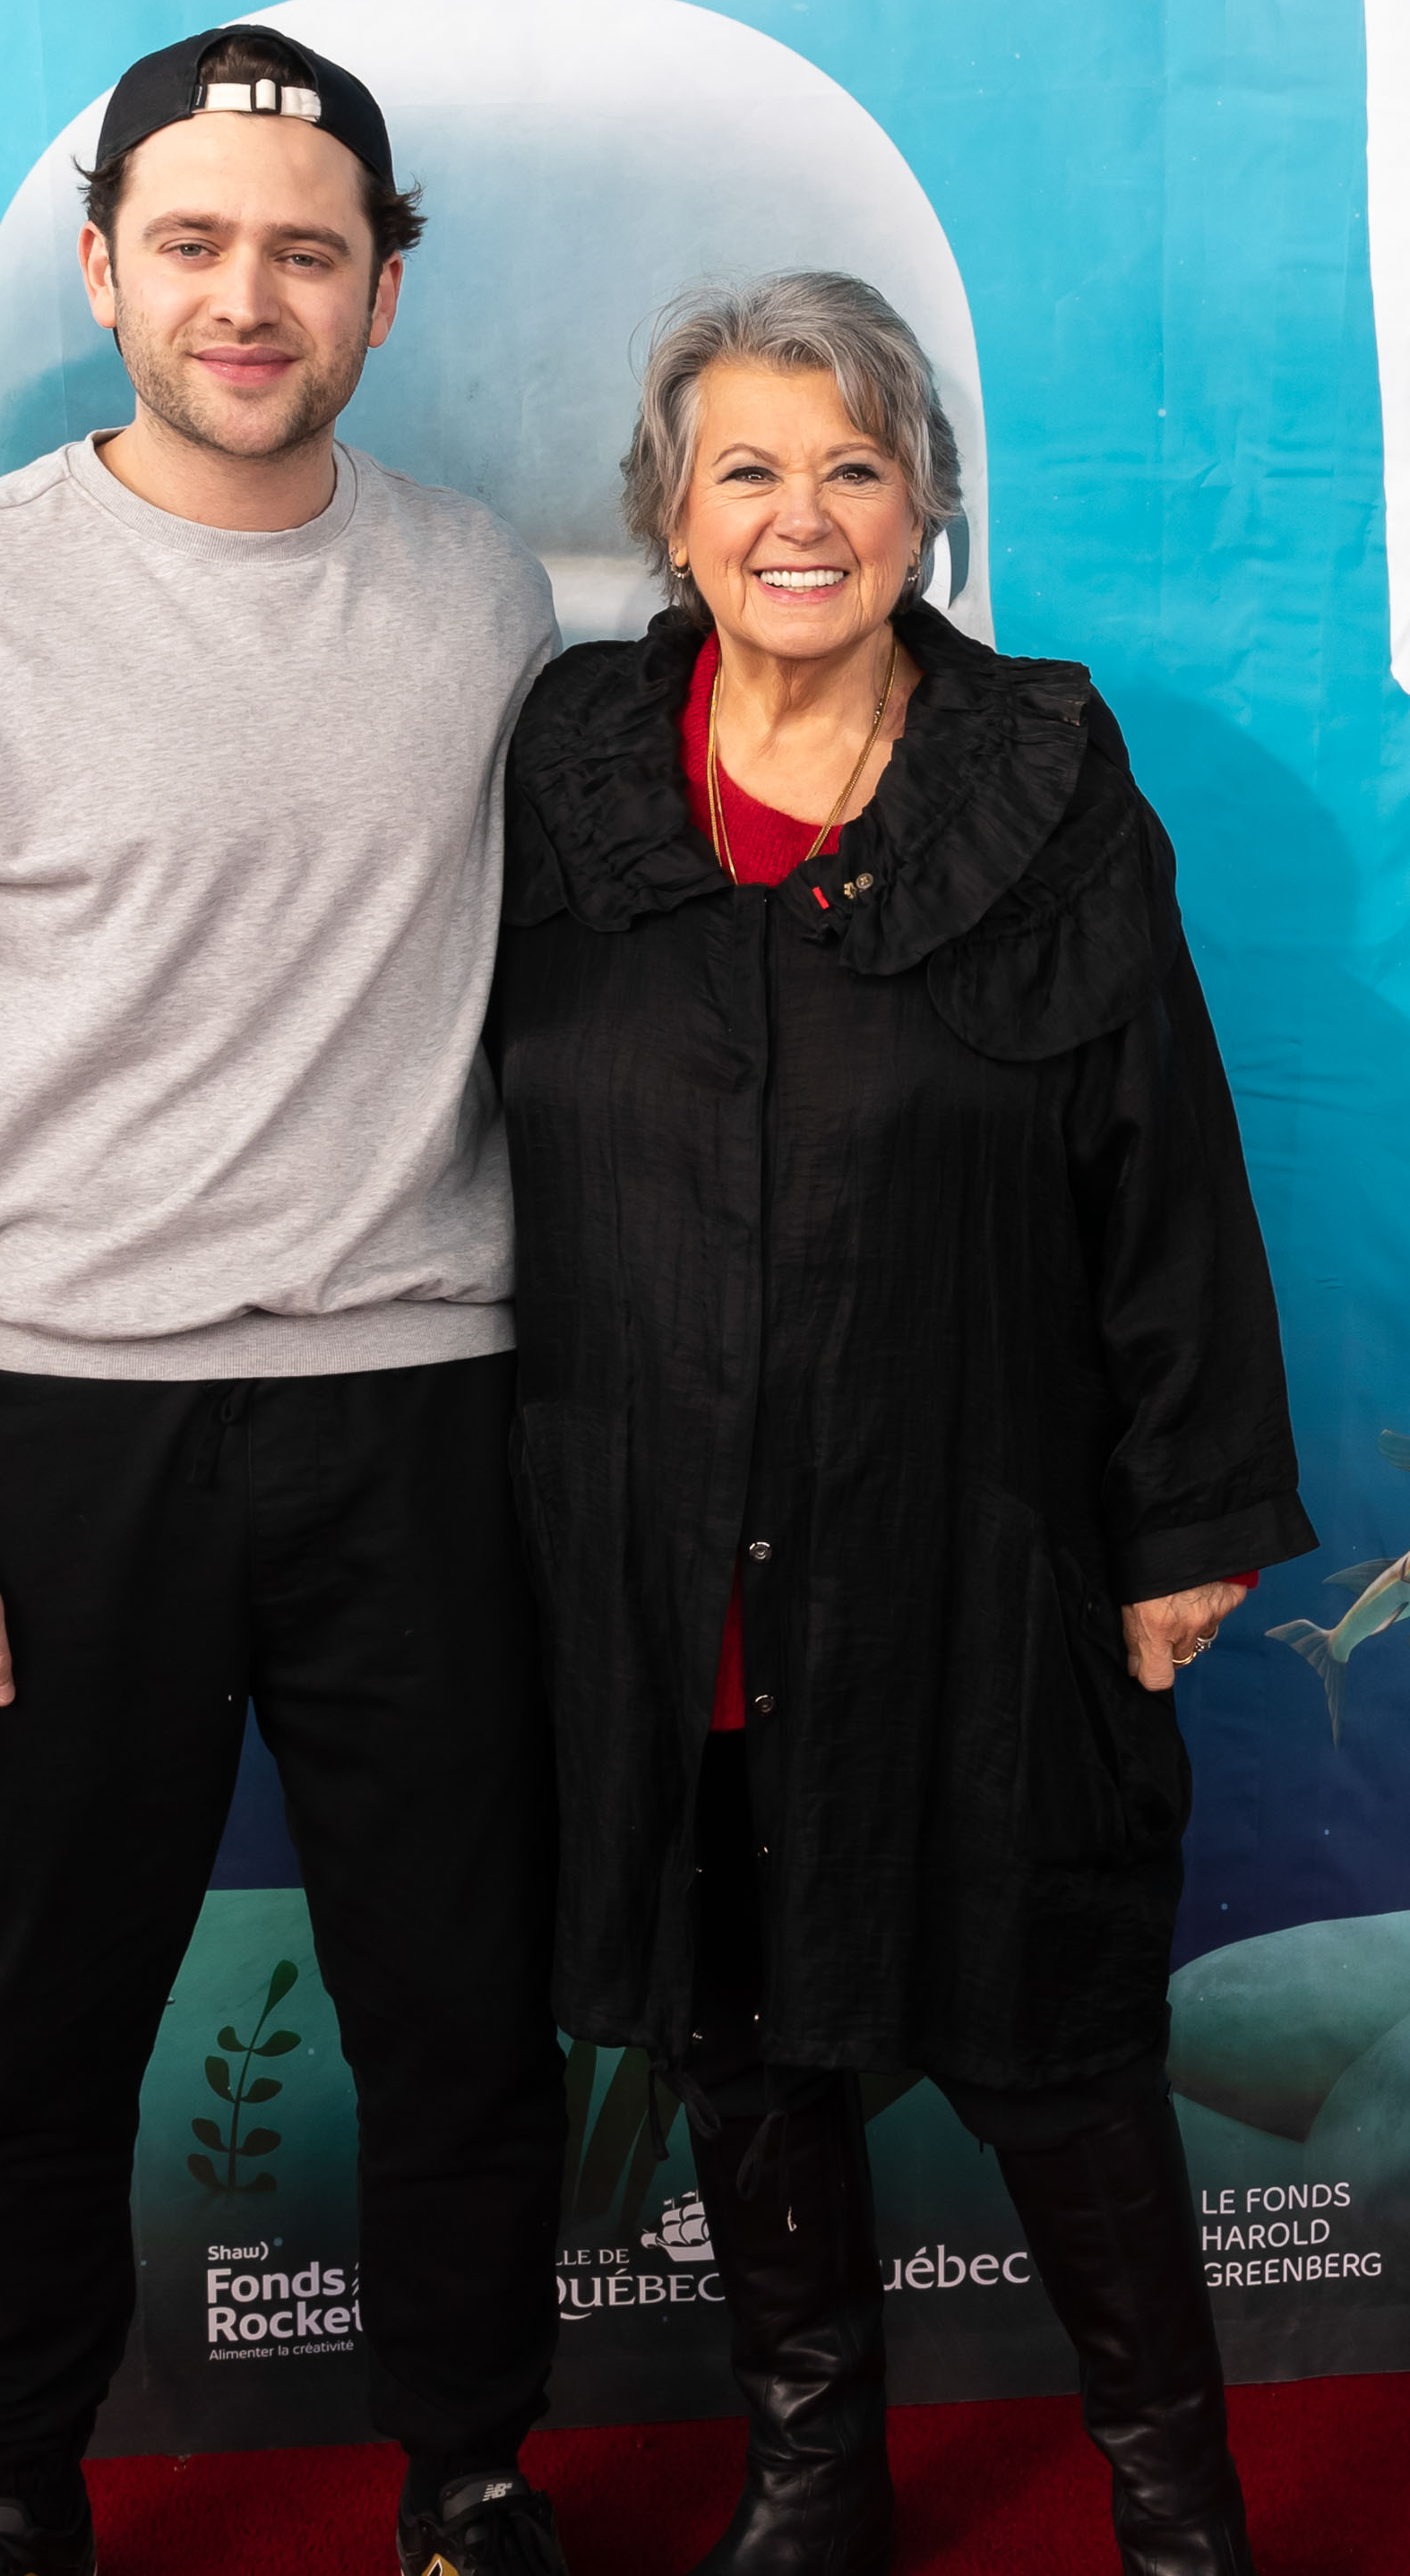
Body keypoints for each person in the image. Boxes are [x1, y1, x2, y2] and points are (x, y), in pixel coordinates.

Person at [0, 22, 572, 2576]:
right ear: (103, 268)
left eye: (305, 249)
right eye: (189, 243)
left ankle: (474, 2474)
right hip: (48, 1432)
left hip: (428, 1412)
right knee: (34, 2034)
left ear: (384, 290)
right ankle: (5, 2492)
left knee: (461, 2010)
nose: (245, 292)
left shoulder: (482, 589)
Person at [494, 271, 1315, 2576]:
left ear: (929, 500)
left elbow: (1165, 1163)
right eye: (746, 465)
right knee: (736, 2034)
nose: (800, 514)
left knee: (1050, 2032)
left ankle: (1173, 2500)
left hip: (969, 1532)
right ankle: (810, 2472)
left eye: (854, 464)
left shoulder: (1041, 776)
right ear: (666, 506)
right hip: (648, 1540)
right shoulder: (563, 769)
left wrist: (1183, 1525)